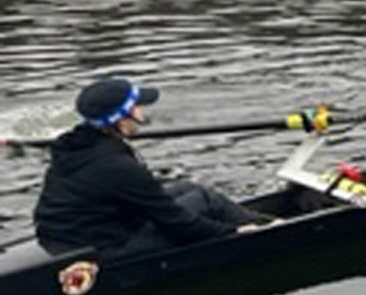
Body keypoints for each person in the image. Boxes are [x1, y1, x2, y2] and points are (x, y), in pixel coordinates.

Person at [33, 77, 267, 255]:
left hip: (61, 235)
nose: (143, 111)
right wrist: (231, 233)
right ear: (122, 117)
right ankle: (269, 229)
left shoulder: (74, 145)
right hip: (105, 248)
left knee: (186, 188)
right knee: (206, 199)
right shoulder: (117, 166)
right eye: (137, 106)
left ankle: (262, 222)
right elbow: (179, 224)